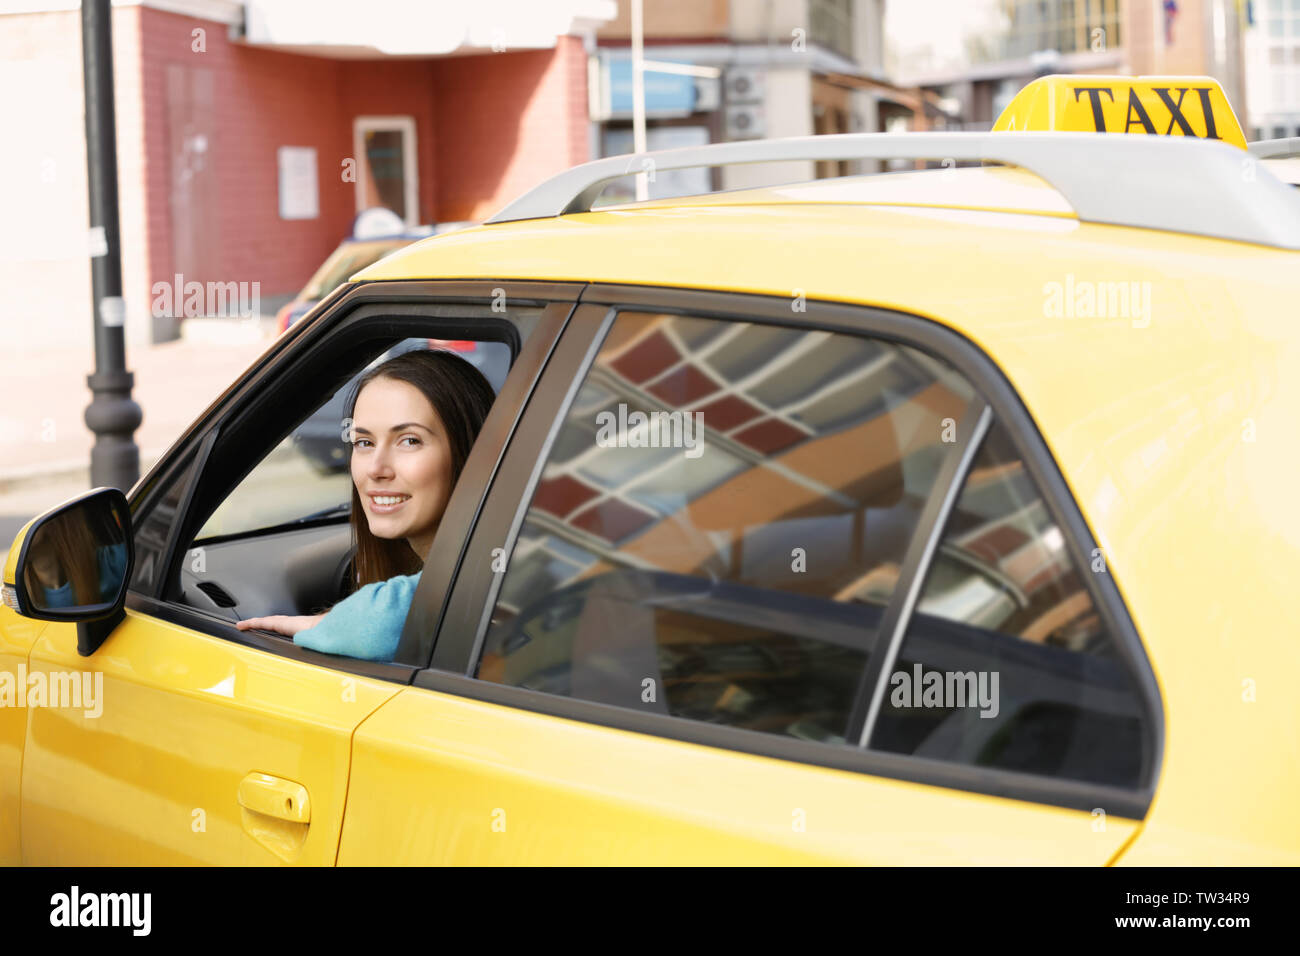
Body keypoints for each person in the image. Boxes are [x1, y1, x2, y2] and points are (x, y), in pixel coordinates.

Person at [235, 348, 495, 660]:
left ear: (471, 451)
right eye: (364, 443)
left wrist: (323, 626)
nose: (375, 468)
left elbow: (377, 627)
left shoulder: (486, 581)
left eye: (409, 440)